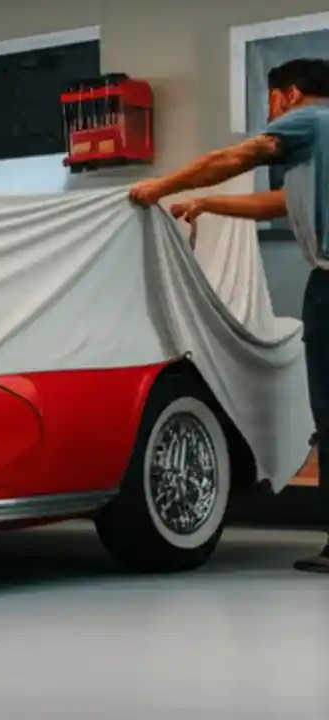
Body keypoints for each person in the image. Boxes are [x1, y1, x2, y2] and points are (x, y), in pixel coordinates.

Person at [129, 57, 329, 573]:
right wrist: (211, 204)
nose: (271, 115)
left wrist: (159, 187)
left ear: (286, 96)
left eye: (270, 103)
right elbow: (279, 203)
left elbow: (241, 155)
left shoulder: (311, 119)